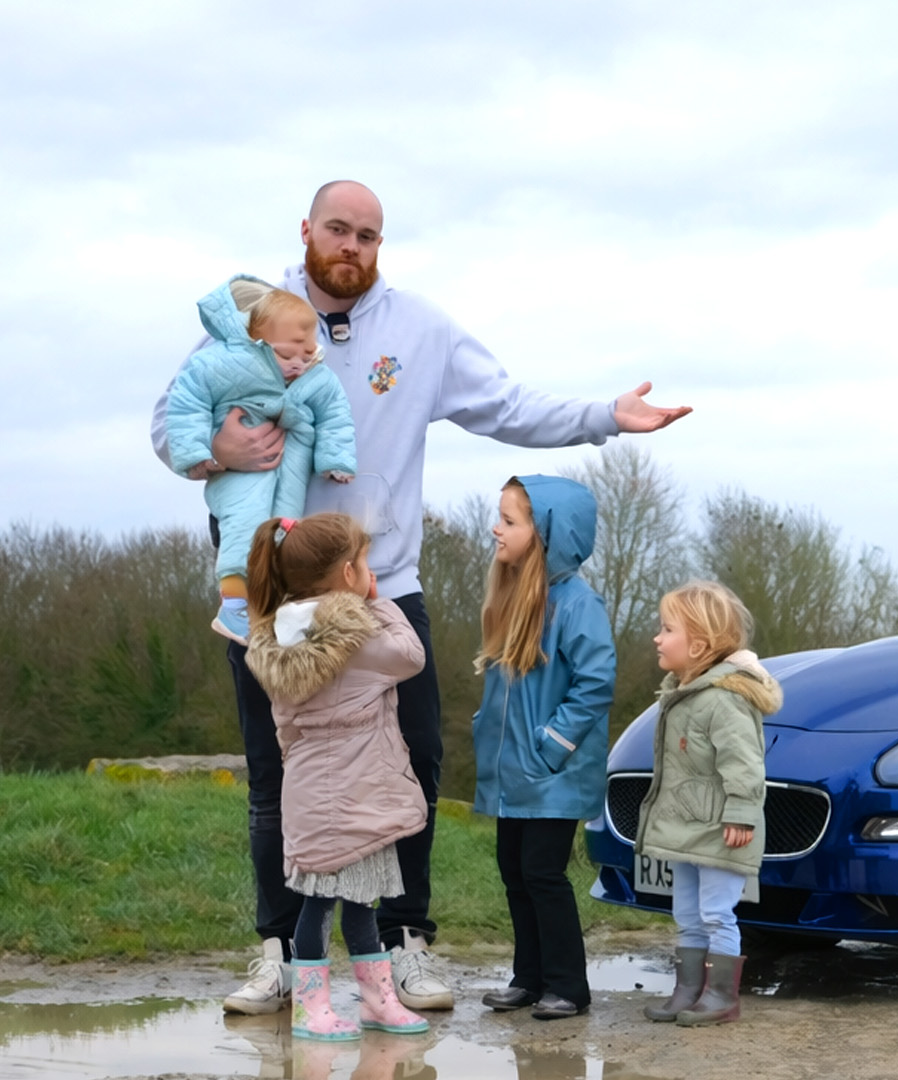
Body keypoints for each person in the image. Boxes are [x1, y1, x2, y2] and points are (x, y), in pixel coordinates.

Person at [149, 180, 692, 1016]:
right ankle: (283, 957)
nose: (353, 247)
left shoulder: (419, 329)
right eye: (339, 229)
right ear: (306, 232)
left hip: (383, 591)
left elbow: (506, 404)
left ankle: (407, 944)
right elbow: (170, 420)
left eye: (368, 235)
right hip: (274, 599)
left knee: (412, 766)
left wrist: (604, 415)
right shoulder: (253, 322)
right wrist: (213, 446)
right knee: (274, 776)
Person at [239, 512, 431, 1041]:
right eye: (365, 563)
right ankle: (322, 1006)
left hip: (310, 795)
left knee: (326, 902)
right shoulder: (360, 637)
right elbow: (412, 655)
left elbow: (283, 730)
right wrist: (380, 601)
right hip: (362, 794)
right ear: (348, 573)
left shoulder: (279, 638)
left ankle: (359, 1001)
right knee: (347, 905)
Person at [471, 475, 615, 1021]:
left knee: (542, 873)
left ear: (547, 532)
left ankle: (568, 986)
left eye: (509, 521)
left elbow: (596, 682)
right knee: (514, 868)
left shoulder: (578, 604)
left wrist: (551, 744)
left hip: (553, 771)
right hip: (519, 772)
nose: (496, 528)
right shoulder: (518, 598)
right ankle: (528, 977)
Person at [166, 277, 356, 643]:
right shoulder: (223, 362)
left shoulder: (315, 374)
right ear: (257, 340)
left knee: (283, 532)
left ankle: (273, 607)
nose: (297, 365)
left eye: (306, 354)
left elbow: (335, 412)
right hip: (239, 470)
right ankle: (234, 604)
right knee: (246, 523)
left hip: (289, 464)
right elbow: (186, 400)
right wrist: (198, 453)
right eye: (286, 356)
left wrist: (337, 459)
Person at [635, 580, 781, 1027]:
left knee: (717, 914)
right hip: (686, 826)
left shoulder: (723, 700)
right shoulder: (684, 695)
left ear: (698, 645)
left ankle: (721, 997)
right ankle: (688, 990)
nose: (657, 638)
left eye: (667, 629)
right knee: (686, 915)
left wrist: (740, 811)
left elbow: (745, 763)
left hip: (721, 828)